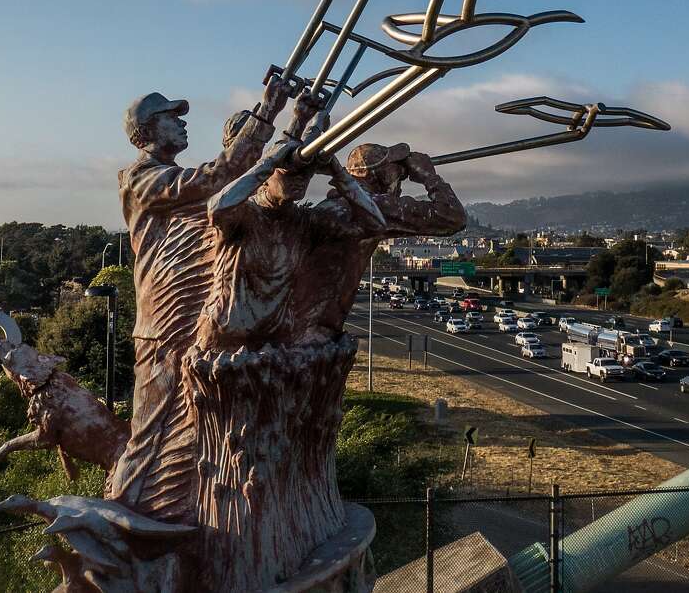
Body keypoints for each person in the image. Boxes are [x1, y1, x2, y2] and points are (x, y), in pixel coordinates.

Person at [108, 76, 289, 523]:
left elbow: (223, 187)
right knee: (152, 428)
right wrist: (267, 116)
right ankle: (126, 522)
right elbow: (216, 178)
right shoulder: (141, 179)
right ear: (148, 129)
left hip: (189, 316)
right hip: (161, 323)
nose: (183, 125)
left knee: (187, 424)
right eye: (173, 117)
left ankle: (176, 515)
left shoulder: (166, 177)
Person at [195, 94, 385, 350]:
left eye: (306, 173)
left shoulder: (304, 223)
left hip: (275, 342)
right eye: (290, 172)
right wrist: (270, 161)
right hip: (226, 341)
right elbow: (217, 207)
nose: (300, 179)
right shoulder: (245, 215)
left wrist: (340, 174)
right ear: (266, 175)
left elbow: (376, 226)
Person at [290, 142, 466, 344]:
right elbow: (453, 217)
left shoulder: (329, 207)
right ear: (380, 175)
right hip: (313, 336)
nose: (400, 177)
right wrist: (429, 176)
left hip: (295, 324)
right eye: (395, 170)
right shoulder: (371, 206)